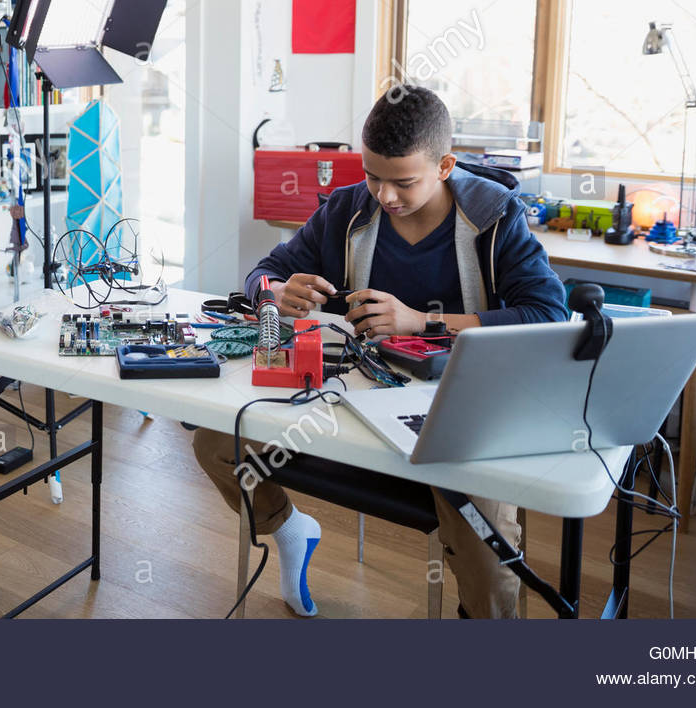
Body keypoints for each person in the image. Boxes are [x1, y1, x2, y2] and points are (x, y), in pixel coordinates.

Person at [192, 85, 567, 617]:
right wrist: (274, 293)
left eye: (403, 181)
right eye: (372, 175)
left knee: (487, 547)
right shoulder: (347, 209)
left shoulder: (496, 217)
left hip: (457, 410)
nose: (385, 196)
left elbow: (549, 316)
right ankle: (290, 529)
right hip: (350, 400)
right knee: (216, 444)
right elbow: (260, 273)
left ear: (445, 166)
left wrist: (424, 322)